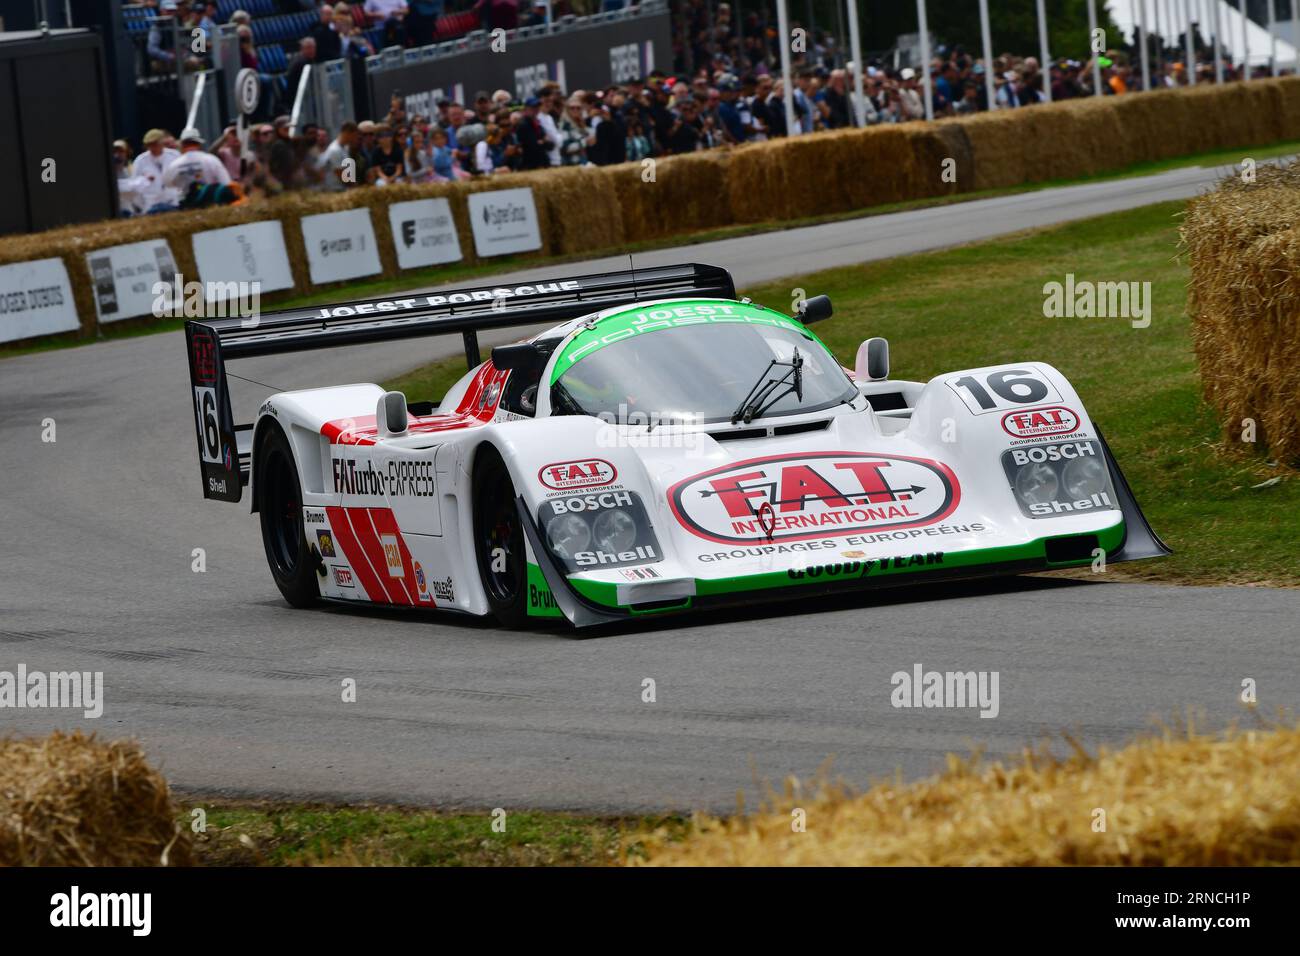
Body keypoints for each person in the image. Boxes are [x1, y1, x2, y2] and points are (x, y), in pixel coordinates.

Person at [163, 127, 233, 204]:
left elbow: (168, 184)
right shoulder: (211, 160)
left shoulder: (175, 165)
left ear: (182, 145)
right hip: (210, 203)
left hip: (186, 205)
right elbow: (226, 182)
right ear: (199, 144)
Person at [133, 128, 181, 213]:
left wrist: (179, 197)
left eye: (155, 144)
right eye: (149, 145)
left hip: (173, 202)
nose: (153, 147)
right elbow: (135, 186)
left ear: (162, 143)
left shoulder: (174, 155)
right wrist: (143, 206)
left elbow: (182, 178)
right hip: (151, 205)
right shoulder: (140, 161)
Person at [317, 120, 359, 189]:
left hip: (343, 189)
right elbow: (342, 176)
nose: (355, 139)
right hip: (335, 190)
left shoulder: (345, 148)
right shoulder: (334, 150)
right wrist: (357, 188)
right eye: (354, 135)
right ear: (347, 133)